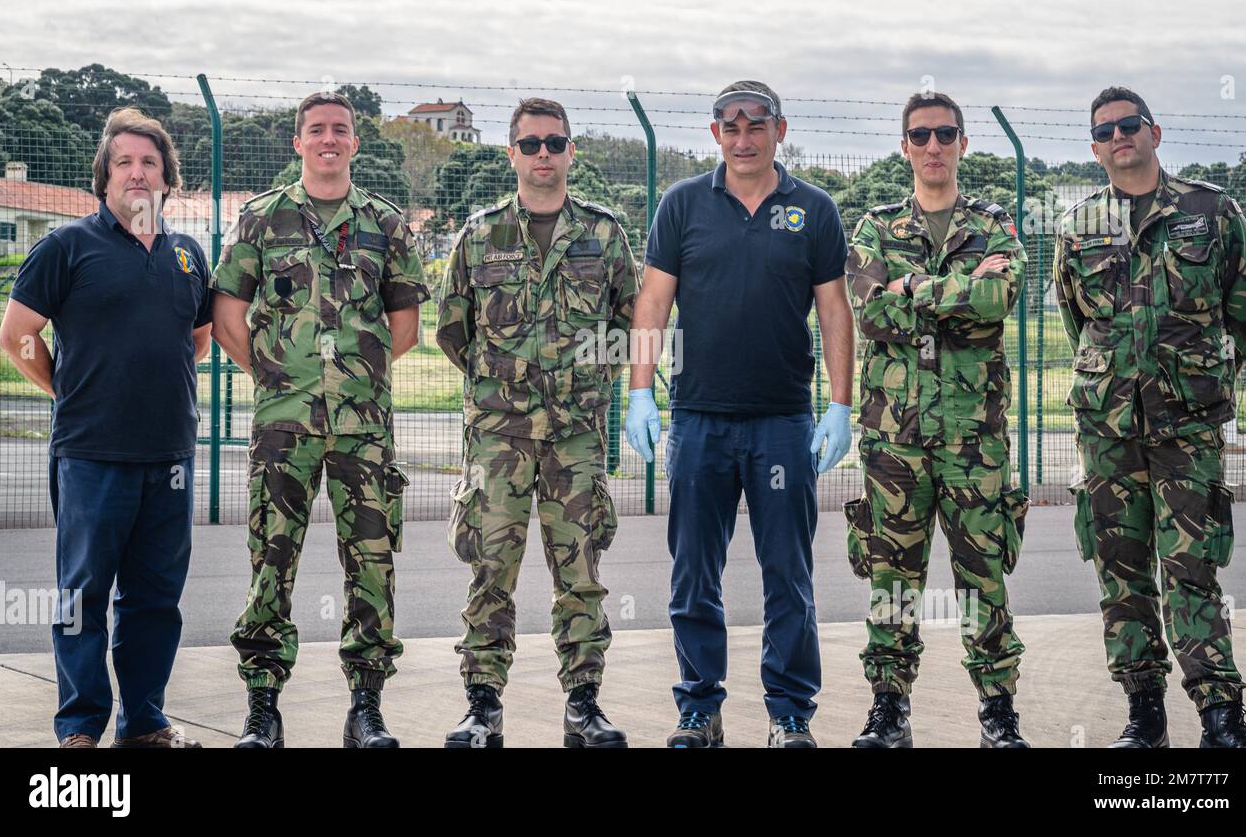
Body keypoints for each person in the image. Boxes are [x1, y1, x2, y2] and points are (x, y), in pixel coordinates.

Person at [626, 80, 855, 749]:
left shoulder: (813, 209)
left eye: (757, 124)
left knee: (789, 575)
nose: (744, 137)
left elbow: (835, 310)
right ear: (715, 133)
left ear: (780, 129)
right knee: (693, 575)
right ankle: (699, 708)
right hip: (699, 420)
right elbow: (652, 304)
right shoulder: (683, 204)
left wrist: (839, 405)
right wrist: (638, 392)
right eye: (731, 125)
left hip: (783, 422)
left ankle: (790, 714)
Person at [211, 91, 429, 748]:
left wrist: (352, 381)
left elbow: (406, 327)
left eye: (340, 129)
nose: (328, 139)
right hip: (284, 426)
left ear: (354, 143)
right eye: (316, 130)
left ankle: (366, 707)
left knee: (372, 564)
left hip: (364, 429)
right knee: (270, 561)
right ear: (298, 142)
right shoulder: (260, 219)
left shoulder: (386, 224)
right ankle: (263, 707)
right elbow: (227, 316)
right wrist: (279, 379)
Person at [1054, 86, 1246, 748]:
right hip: (1108, 430)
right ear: (1095, 149)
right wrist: (1116, 379)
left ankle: (1220, 717)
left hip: (1187, 426)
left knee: (1193, 569)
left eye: (1129, 125)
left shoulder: (1212, 210)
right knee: (1121, 572)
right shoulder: (1079, 224)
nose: (1119, 137)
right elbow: (1077, 322)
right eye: (1105, 131)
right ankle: (1144, 713)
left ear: (1155, 132)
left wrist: (1204, 380)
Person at [0, 107, 211, 749]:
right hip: (90, 453)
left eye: (150, 162)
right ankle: (79, 727)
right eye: (125, 162)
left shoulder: (188, 255)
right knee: (82, 597)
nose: (137, 173)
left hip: (169, 456)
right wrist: (67, 390)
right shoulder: (67, 247)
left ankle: (144, 723)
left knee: (155, 599)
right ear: (105, 177)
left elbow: (198, 338)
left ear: (167, 178)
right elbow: (18, 335)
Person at [436, 97, 639, 749]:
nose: (543, 154)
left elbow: (629, 324)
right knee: (490, 571)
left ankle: (583, 702)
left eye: (554, 143)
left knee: (580, 574)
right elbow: (453, 330)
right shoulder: (480, 236)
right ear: (512, 154)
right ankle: (482, 705)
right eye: (530, 144)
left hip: (576, 437)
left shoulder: (604, 235)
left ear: (571, 151)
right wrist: (507, 389)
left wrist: (585, 385)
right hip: (499, 437)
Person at [844, 92, 1030, 749]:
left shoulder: (993, 223)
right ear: (904, 147)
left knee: (983, 577)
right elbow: (869, 311)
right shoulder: (876, 227)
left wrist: (910, 288)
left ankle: (998, 711)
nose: (933, 146)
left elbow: (998, 297)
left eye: (945, 134)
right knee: (893, 579)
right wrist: (957, 290)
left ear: (962, 144)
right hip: (894, 439)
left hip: (973, 438)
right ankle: (889, 708)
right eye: (920, 135)